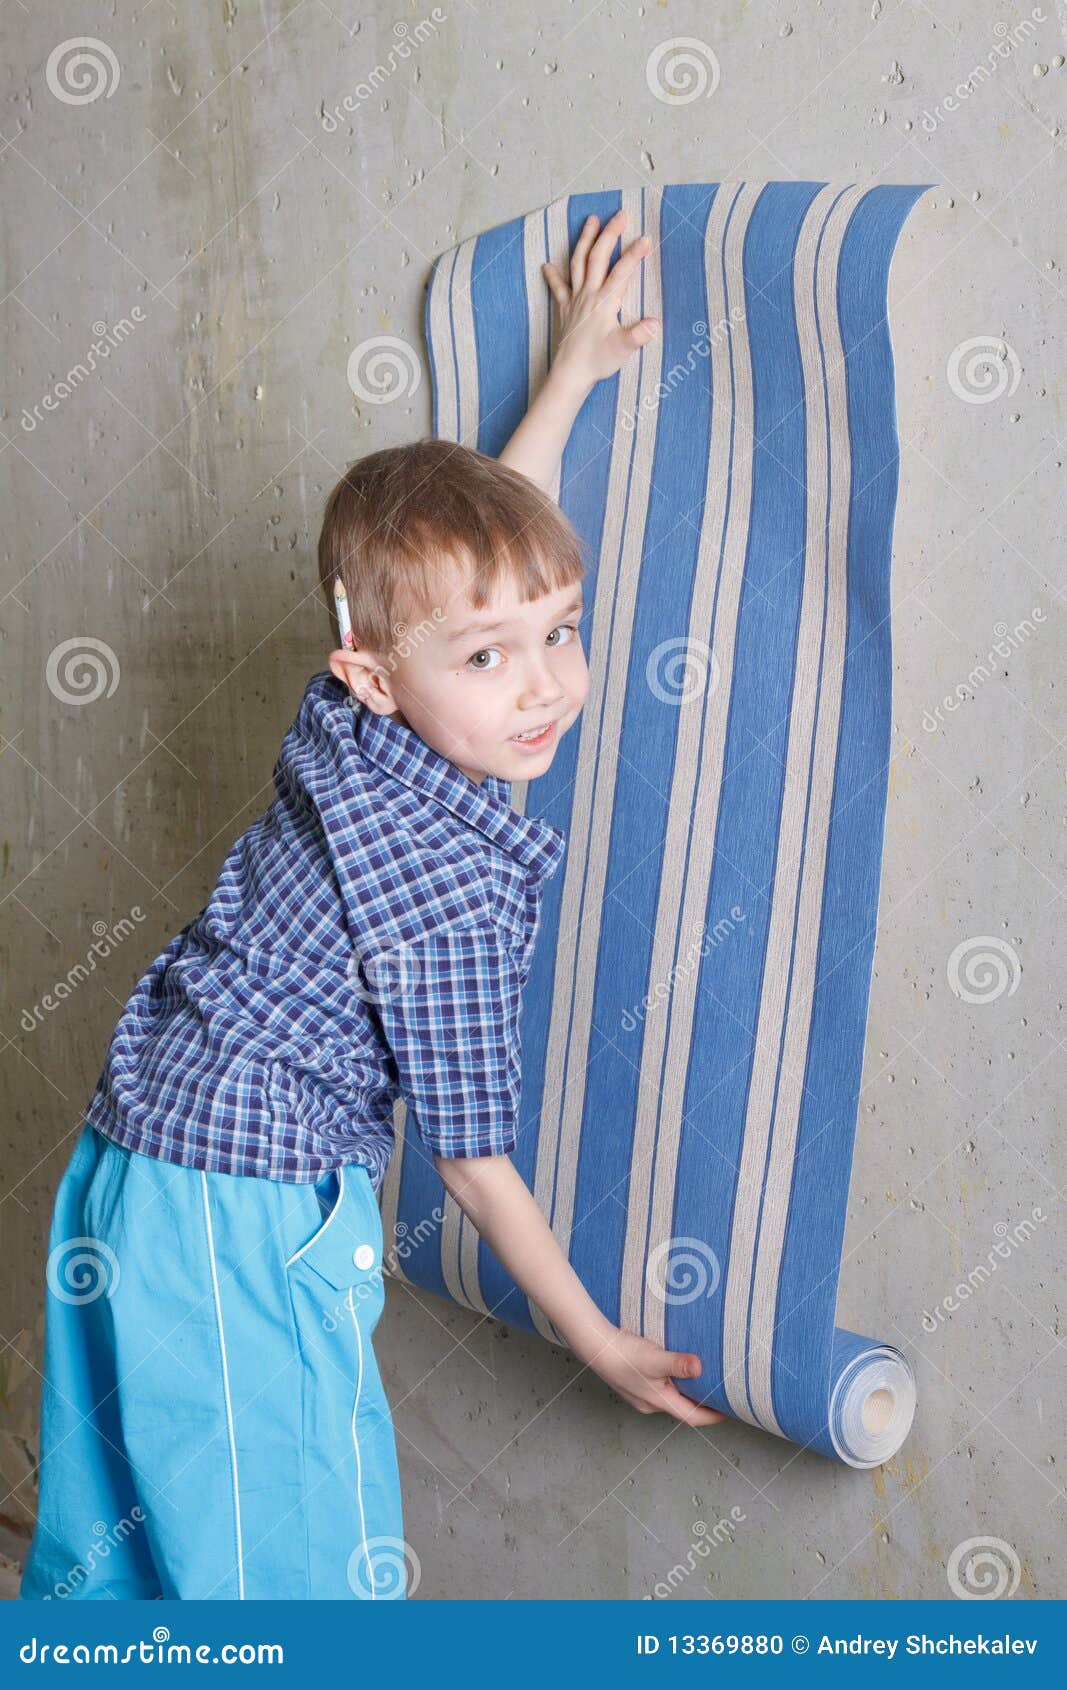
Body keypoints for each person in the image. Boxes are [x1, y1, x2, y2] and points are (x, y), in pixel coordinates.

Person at [19, 209, 724, 1604]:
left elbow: (472, 580)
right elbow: (472, 1164)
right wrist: (598, 1341)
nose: (544, 684)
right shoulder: (446, 890)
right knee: (300, 1584)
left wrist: (572, 373)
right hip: (239, 1206)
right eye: (492, 660)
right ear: (379, 675)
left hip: (134, 1160)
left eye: (562, 633)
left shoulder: (356, 714)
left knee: (117, 1566)